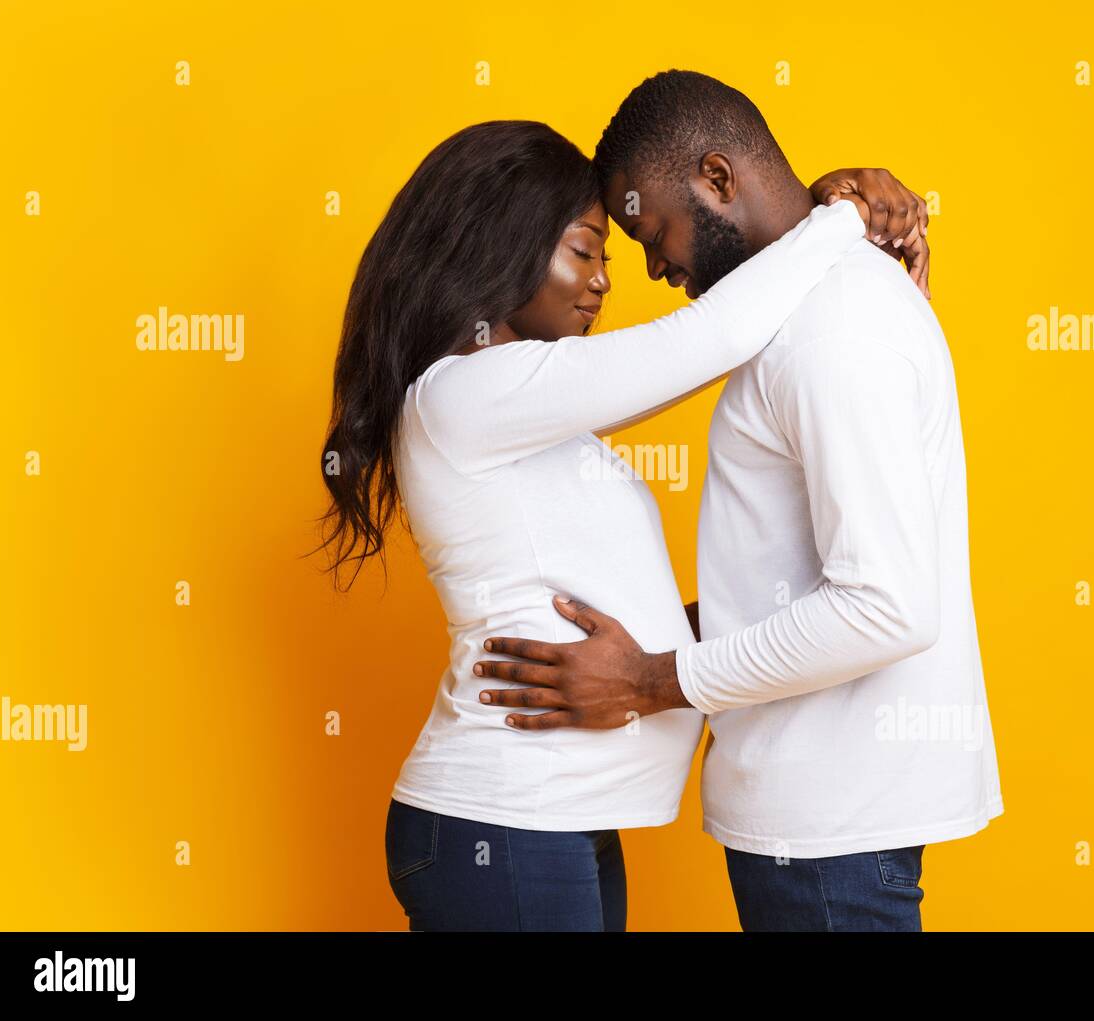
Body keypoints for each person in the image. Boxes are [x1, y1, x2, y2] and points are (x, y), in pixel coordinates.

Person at [315, 118, 930, 932]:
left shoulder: (531, 412)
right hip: (505, 822)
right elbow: (709, 339)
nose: (605, 279)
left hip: (556, 824)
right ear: (494, 246)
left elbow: (625, 605)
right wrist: (843, 215)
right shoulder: (461, 394)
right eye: (585, 248)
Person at [474, 72, 1004, 932]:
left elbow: (887, 607)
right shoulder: (810, 310)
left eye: (652, 231)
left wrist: (652, 680)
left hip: (832, 832)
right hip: (826, 822)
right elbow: (800, 581)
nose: (653, 268)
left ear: (717, 178)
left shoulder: (834, 327)